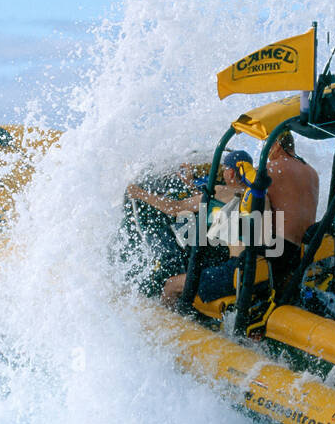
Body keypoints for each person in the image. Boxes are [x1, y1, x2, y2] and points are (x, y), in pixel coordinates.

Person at [126, 149, 254, 308]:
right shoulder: (256, 196)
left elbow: (174, 207)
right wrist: (190, 184)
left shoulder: (222, 191)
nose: (223, 173)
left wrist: (139, 193)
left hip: (232, 271)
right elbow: (213, 205)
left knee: (171, 285)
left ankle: (171, 326)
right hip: (255, 266)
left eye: (225, 169)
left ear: (232, 173)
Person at [261, 130, 319, 289]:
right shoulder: (312, 172)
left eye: (267, 146)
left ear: (277, 145)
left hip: (279, 250)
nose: (266, 152)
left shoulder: (271, 168)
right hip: (305, 251)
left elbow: (246, 195)